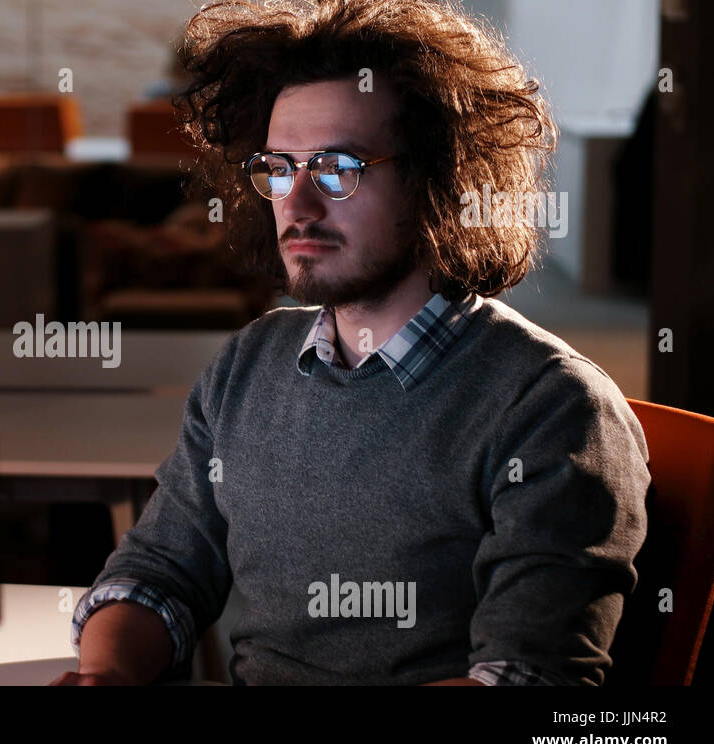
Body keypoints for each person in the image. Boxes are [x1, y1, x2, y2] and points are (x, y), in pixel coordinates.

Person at [50, 0, 649, 686]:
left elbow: (523, 678)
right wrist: (107, 675)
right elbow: (159, 573)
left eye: (337, 167)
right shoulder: (249, 363)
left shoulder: (554, 407)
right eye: (279, 168)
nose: (297, 204)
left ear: (440, 183)